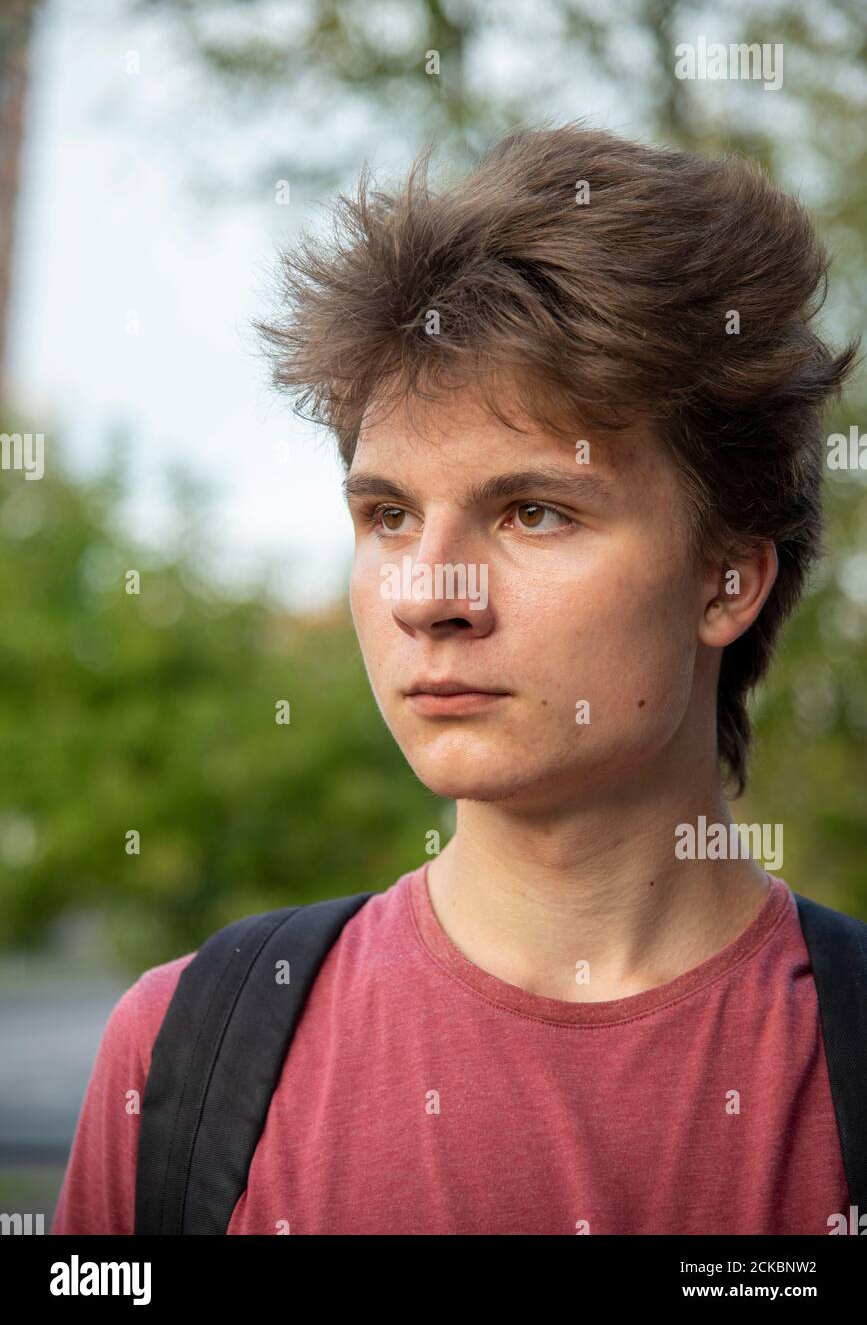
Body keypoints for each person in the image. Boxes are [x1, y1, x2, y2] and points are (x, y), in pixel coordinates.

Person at [52, 121, 859, 1235]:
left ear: (727, 579)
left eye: (533, 511)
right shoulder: (186, 1052)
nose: (427, 595)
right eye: (387, 515)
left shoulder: (844, 1067)